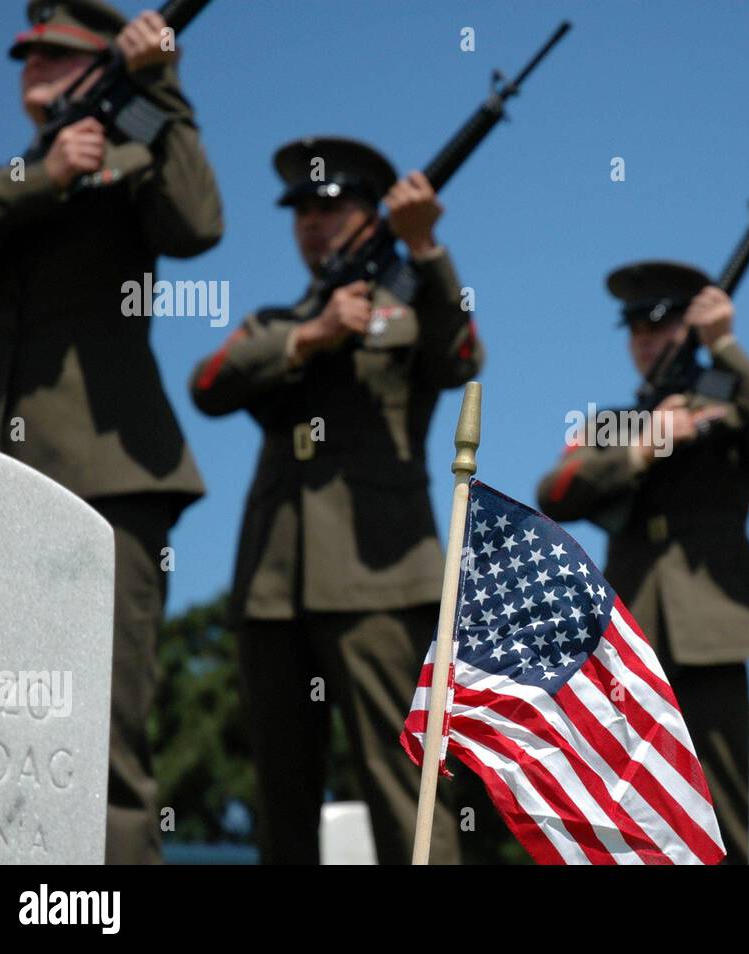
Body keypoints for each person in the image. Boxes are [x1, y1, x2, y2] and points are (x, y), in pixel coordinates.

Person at [0, 0, 223, 863]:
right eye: (26, 59)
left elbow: (198, 223)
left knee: (103, 744)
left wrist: (162, 82)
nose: (32, 69)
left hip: (106, 481)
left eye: (53, 57)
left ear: (92, 68)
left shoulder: (131, 158)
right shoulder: (9, 178)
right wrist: (47, 175)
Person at [189, 136, 482, 863]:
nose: (312, 223)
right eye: (301, 211)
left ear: (370, 214)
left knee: (407, 793)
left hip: (381, 579)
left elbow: (462, 357)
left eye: (331, 207)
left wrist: (428, 250)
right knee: (282, 801)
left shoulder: (413, 304)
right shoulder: (276, 325)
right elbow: (210, 385)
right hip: (273, 584)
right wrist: (310, 339)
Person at [535, 260, 749, 863]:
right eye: (636, 331)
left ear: (689, 328)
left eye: (660, 327)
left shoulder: (729, 401)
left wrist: (725, 346)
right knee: (632, 806)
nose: (646, 342)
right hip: (631, 636)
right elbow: (556, 490)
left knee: (720, 801)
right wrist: (647, 443)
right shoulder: (614, 422)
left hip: (712, 626)